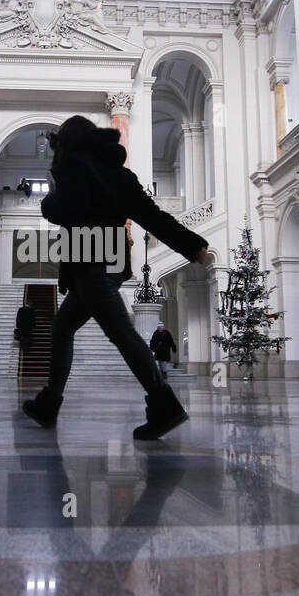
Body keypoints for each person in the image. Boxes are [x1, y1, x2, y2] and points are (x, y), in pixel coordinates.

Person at [22, 115, 207, 440]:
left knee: (121, 332)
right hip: (106, 262)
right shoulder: (120, 176)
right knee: (63, 327)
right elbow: (153, 217)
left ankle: (164, 404)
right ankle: (49, 403)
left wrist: (52, 192)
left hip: (92, 265)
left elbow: (57, 211)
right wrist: (193, 246)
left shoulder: (75, 174)